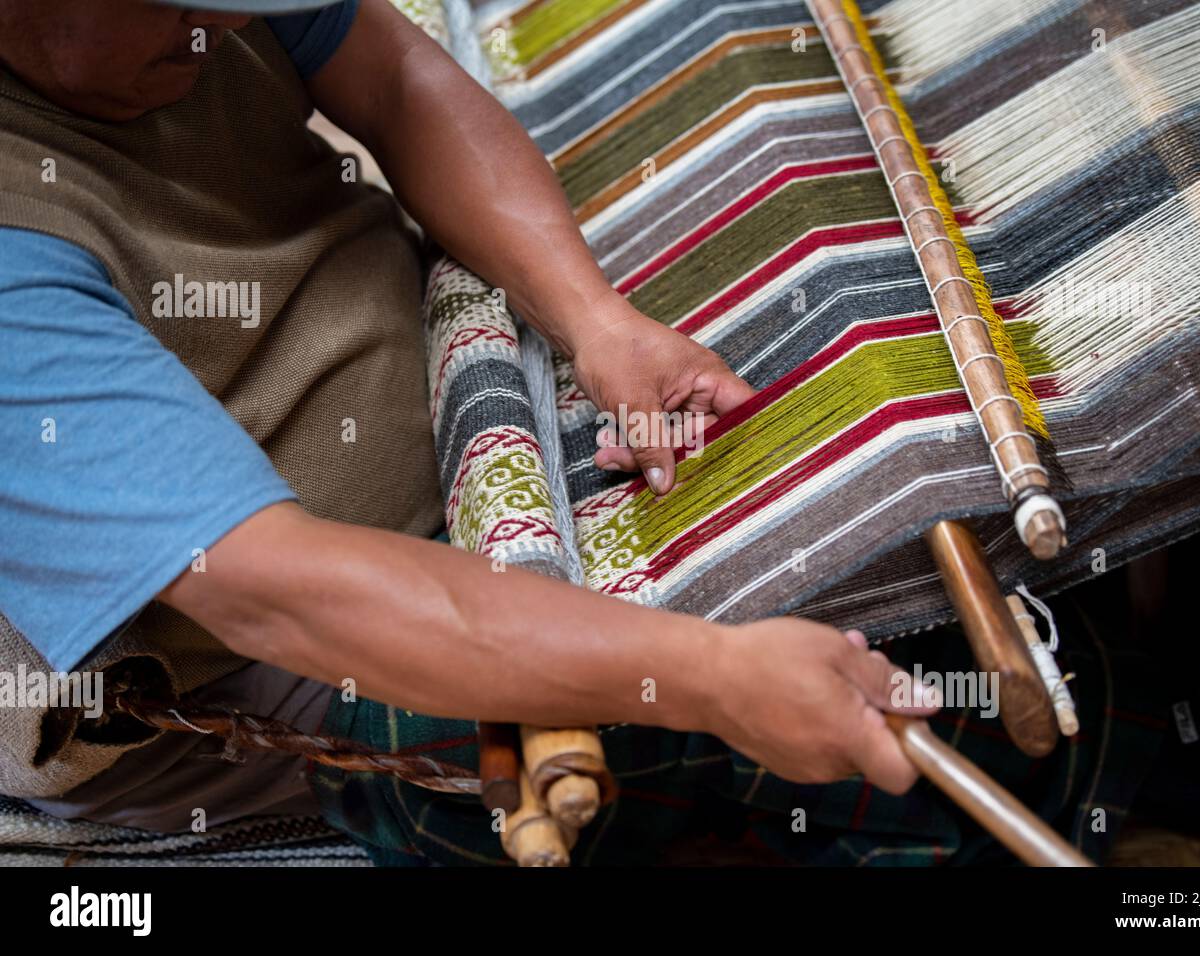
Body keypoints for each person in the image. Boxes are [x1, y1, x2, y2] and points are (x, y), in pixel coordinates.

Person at [0, 0, 937, 841]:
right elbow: (280, 593)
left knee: (918, 612)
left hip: (452, 437)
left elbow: (398, 80)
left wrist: (593, 321)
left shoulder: (189, 20)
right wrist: (715, 676)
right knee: (894, 713)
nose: (237, 28)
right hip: (250, 656)